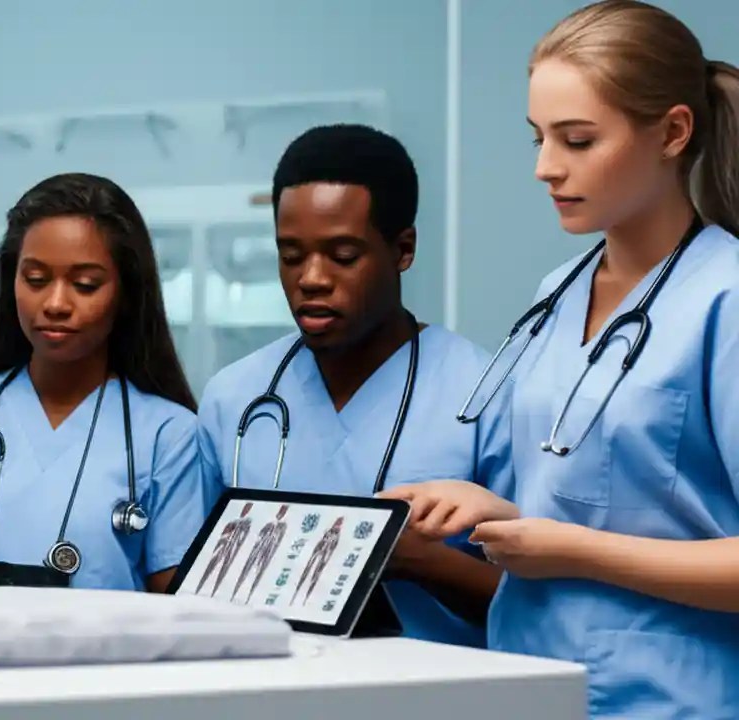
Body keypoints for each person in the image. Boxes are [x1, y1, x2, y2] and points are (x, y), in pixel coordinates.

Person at [392, 1, 739, 716]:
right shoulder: (557, 294)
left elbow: (595, 539)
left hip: (672, 696)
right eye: (538, 139)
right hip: (532, 677)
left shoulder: (726, 299)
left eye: (577, 140)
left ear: (674, 131)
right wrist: (500, 512)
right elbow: (618, 496)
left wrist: (572, 549)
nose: (546, 169)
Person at [196, 124, 511, 647]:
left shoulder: (485, 392)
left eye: (342, 255)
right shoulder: (235, 398)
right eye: (291, 255)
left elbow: (540, 601)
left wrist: (416, 560)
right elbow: (196, 587)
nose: (312, 278)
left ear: (403, 249)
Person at [0, 173, 205, 592]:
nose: (54, 304)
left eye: (85, 285)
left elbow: (181, 612)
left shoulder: (168, 434)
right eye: (35, 279)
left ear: (126, 293)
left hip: (110, 658)